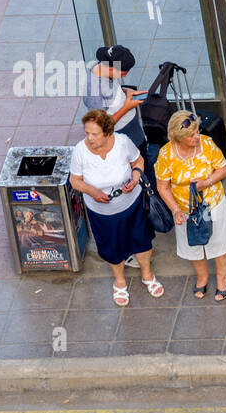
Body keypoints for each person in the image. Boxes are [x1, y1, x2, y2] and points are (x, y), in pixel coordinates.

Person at [68, 109, 163, 306]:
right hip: (102, 212)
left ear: (108, 133)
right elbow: (75, 181)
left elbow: (138, 161)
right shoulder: (80, 151)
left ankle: (147, 274)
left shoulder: (122, 142)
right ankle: (119, 281)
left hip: (132, 203)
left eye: (95, 134)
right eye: (87, 133)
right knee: (111, 247)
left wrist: (136, 176)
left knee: (142, 240)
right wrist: (93, 192)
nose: (89, 138)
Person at [155, 109, 226, 301]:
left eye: (197, 130)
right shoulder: (166, 155)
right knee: (192, 244)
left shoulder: (207, 144)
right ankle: (202, 276)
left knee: (218, 241)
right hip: (184, 209)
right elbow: (163, 187)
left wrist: (206, 182)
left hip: (212, 203)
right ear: (178, 137)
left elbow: (223, 168)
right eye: (191, 135)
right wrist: (175, 209)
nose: (197, 136)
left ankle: (223, 278)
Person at [88, 44, 148, 153]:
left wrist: (126, 91)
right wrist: (126, 107)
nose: (124, 76)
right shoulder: (94, 92)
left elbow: (111, 92)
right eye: (123, 74)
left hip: (134, 133)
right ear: (111, 68)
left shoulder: (102, 68)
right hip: (125, 138)